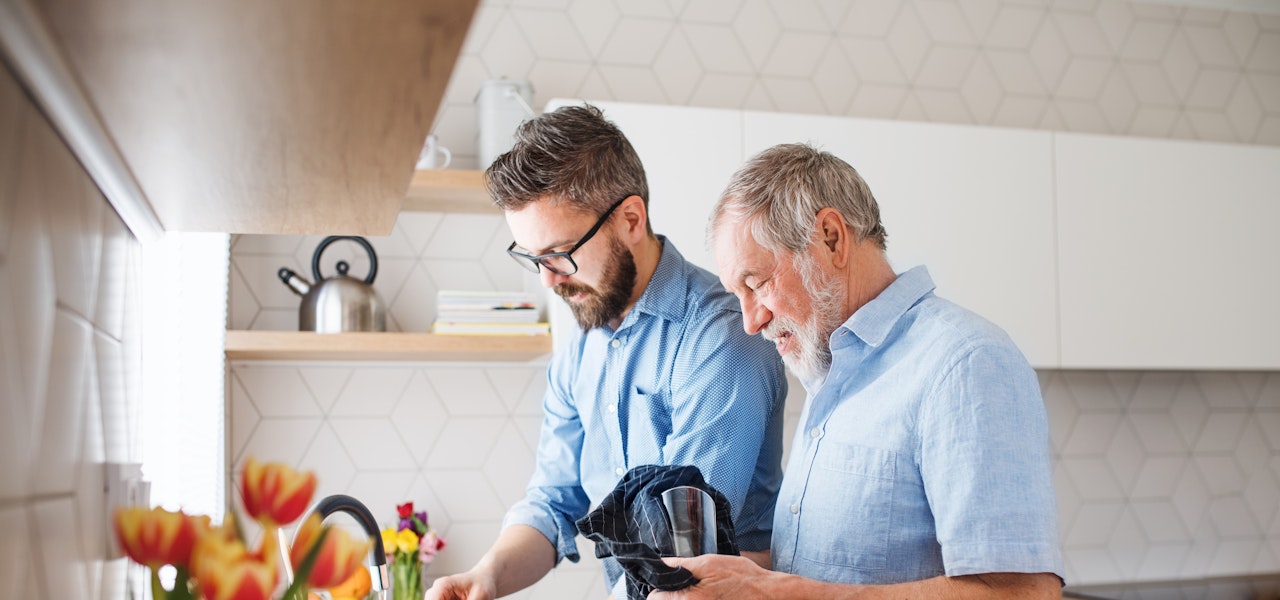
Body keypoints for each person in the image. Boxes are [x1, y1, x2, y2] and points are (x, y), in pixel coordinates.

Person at [650, 143, 1064, 599]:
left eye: (758, 283)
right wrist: (725, 577)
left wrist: (774, 593)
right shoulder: (829, 372)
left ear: (831, 237)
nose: (751, 322)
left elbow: (1023, 593)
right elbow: (830, 567)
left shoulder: (965, 363)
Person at [425, 105, 787, 600]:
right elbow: (554, 502)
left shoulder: (719, 337)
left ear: (631, 218)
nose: (549, 279)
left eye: (560, 253)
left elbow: (682, 552)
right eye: (532, 258)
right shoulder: (580, 351)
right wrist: (487, 576)